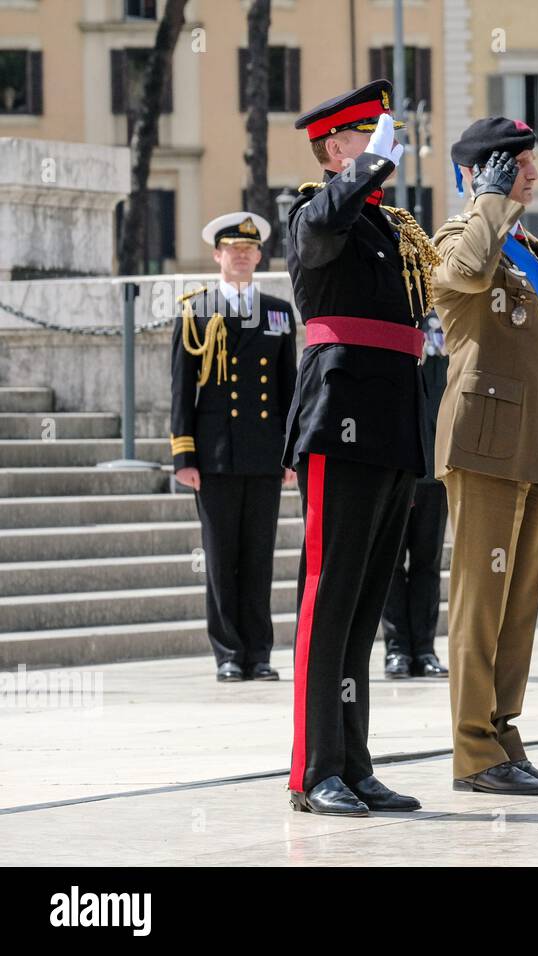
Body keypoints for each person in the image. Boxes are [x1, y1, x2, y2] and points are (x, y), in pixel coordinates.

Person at [284, 79, 431, 816]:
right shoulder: (314, 212)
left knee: (367, 603)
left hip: (391, 418)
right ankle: (315, 771)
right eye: (368, 138)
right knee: (328, 598)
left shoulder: (388, 229)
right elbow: (323, 226)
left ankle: (355, 760)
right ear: (335, 147)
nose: (386, 148)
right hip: (337, 418)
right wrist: (362, 170)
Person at [429, 117, 538, 797]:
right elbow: (461, 278)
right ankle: (472, 751)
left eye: (527, 165)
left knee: (517, 606)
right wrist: (487, 201)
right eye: (516, 166)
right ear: (479, 173)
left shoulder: (534, 253)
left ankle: (503, 735)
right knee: (478, 604)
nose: (531, 177)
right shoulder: (461, 238)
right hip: (483, 443)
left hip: (533, 443)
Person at [170, 212, 297, 682]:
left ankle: (259, 653)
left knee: (259, 557)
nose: (241, 256)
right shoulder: (196, 310)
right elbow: (182, 388)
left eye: (249, 249)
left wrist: (290, 453)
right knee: (221, 559)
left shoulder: (279, 311)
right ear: (218, 255)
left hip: (263, 454)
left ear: (260, 256)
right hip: (216, 455)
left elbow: (289, 389)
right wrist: (184, 456)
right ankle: (227, 652)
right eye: (232, 249)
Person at [381, 314, 450, 680]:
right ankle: (396, 649)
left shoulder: (449, 324)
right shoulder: (397, 317)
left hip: (435, 466)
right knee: (390, 564)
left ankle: (424, 649)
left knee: (427, 563)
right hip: (396, 462)